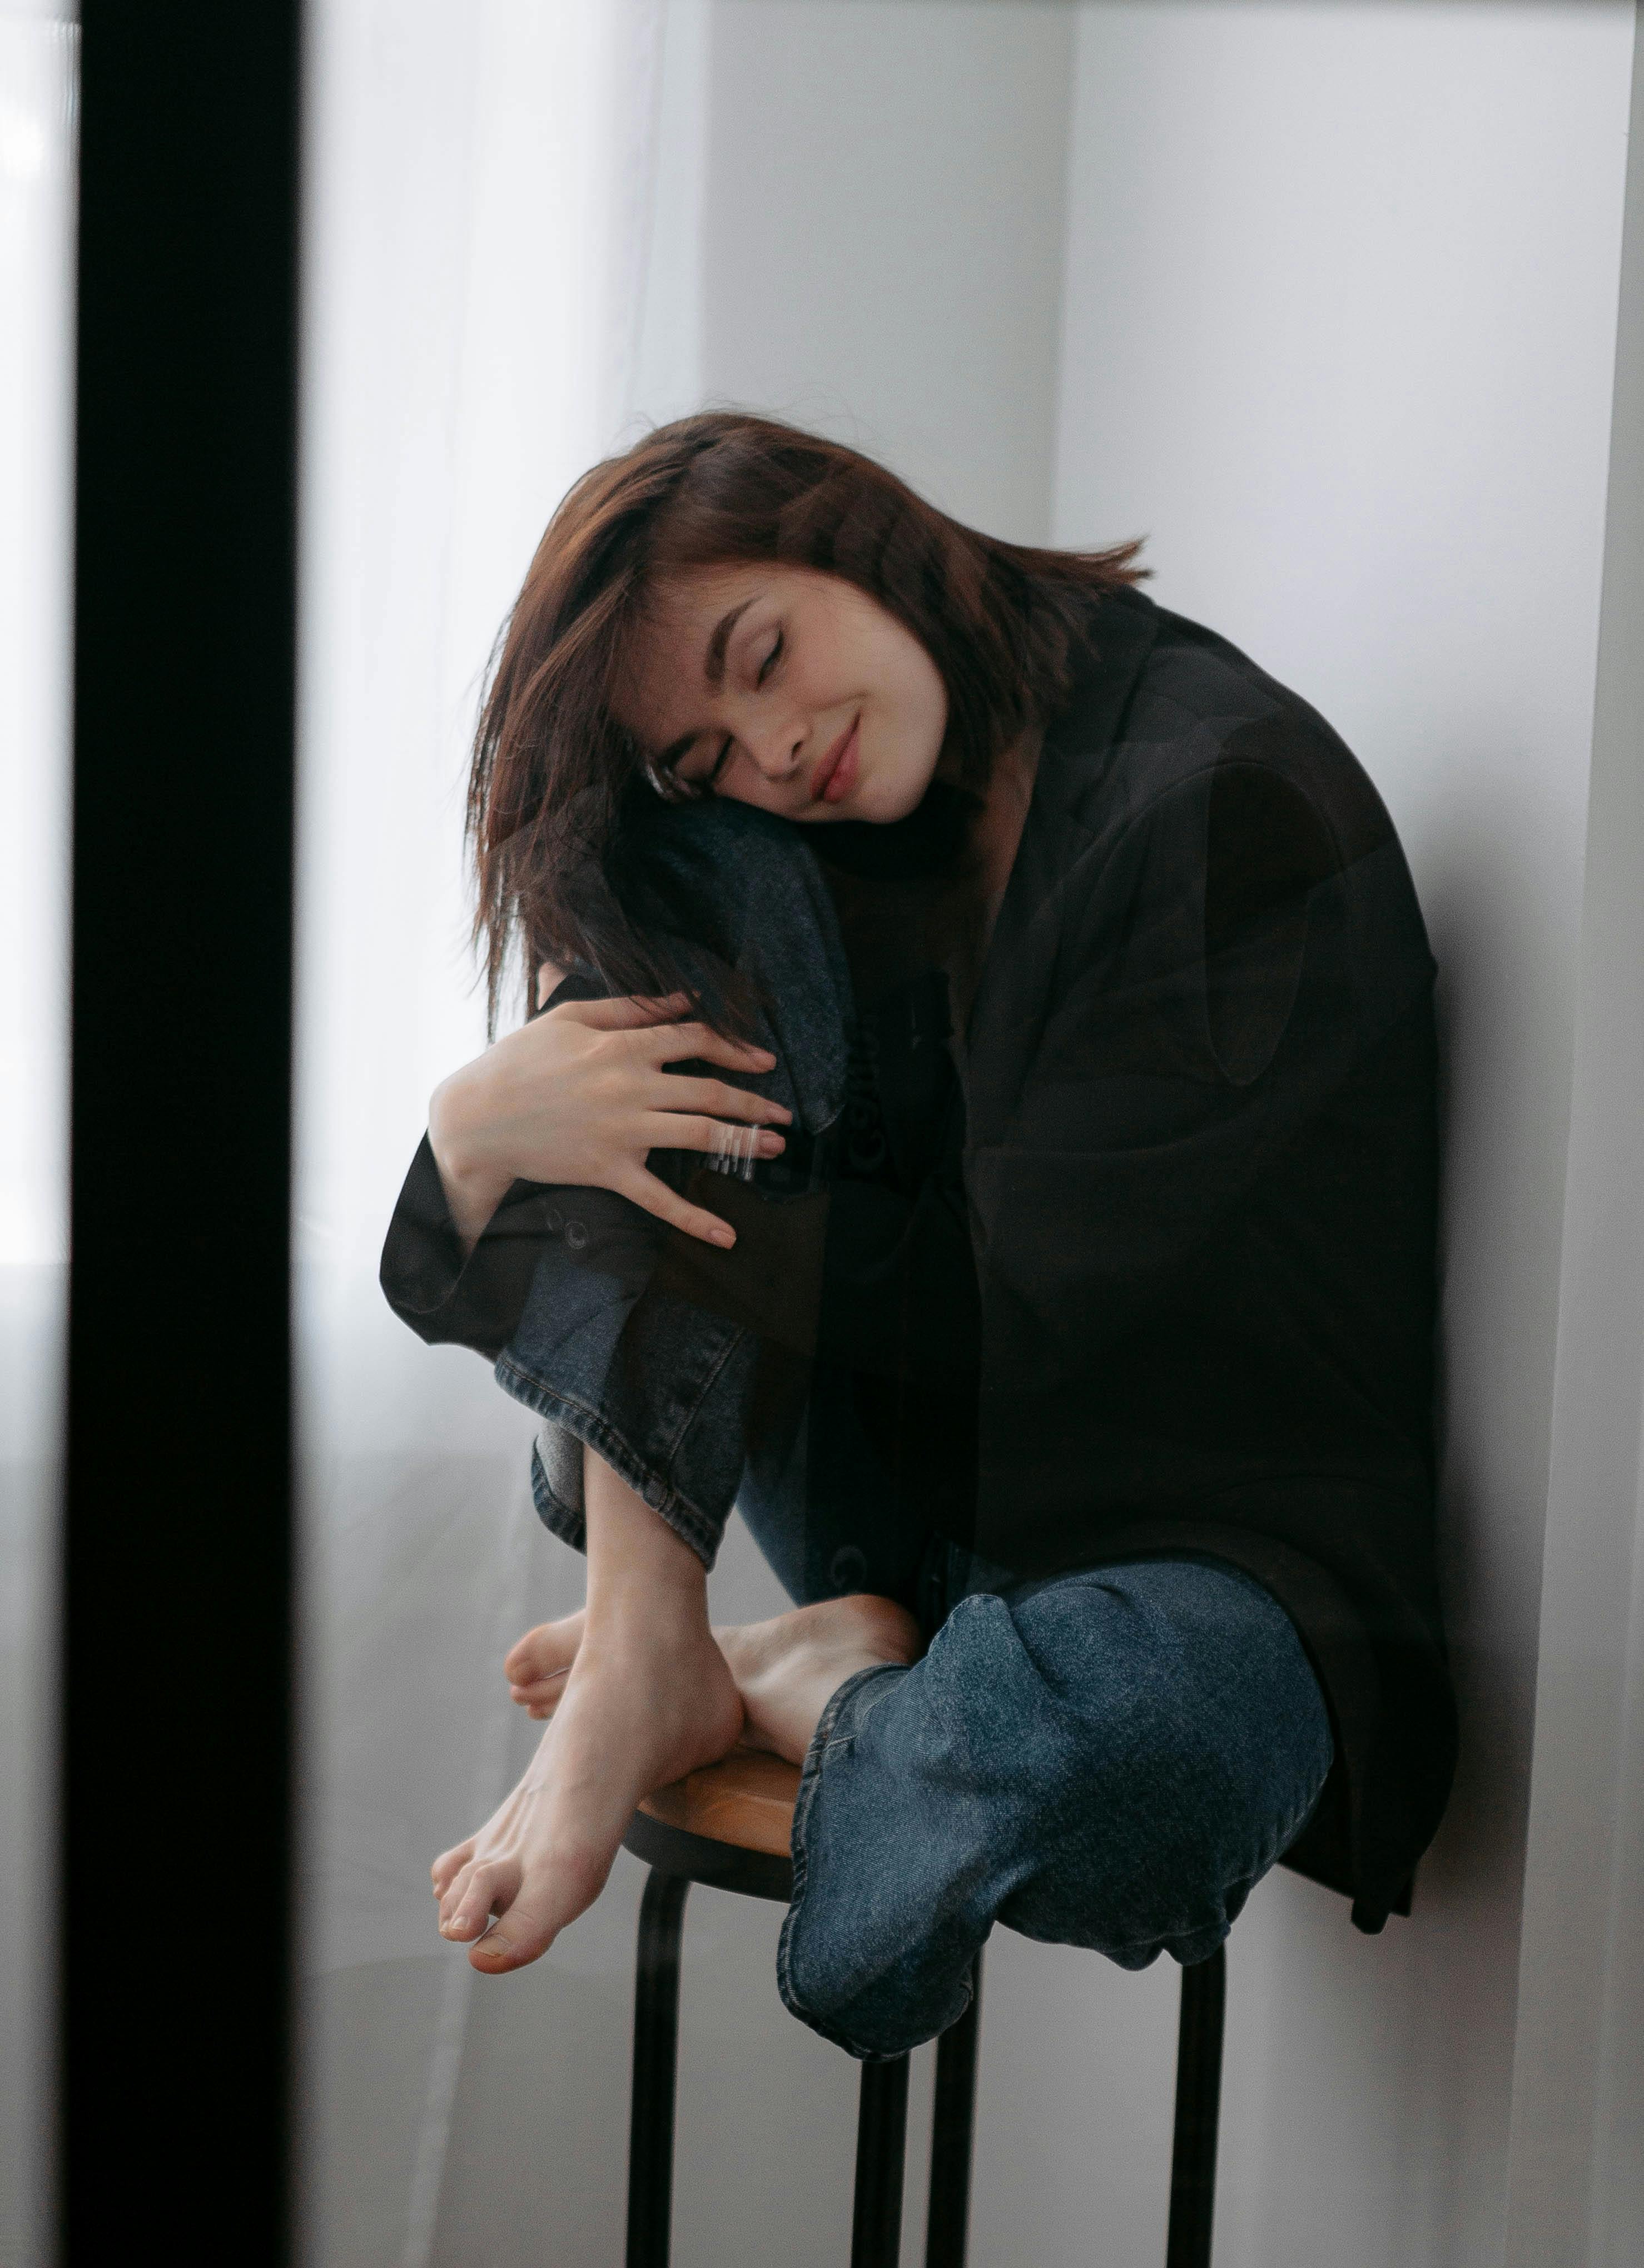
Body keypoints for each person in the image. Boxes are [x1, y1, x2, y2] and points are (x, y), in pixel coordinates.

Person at [380, 411, 1457, 2061]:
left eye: (764, 655)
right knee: (652, 884)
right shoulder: (841, 829)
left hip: (1208, 1586)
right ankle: (649, 1632)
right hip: (930, 1518)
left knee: (1163, 1769)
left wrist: (567, 1204)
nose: (774, 744)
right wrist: (477, 1131)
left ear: (849, 530)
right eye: (713, 743)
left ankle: (833, 1687)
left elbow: (1002, 1315)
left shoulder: (1223, 804)